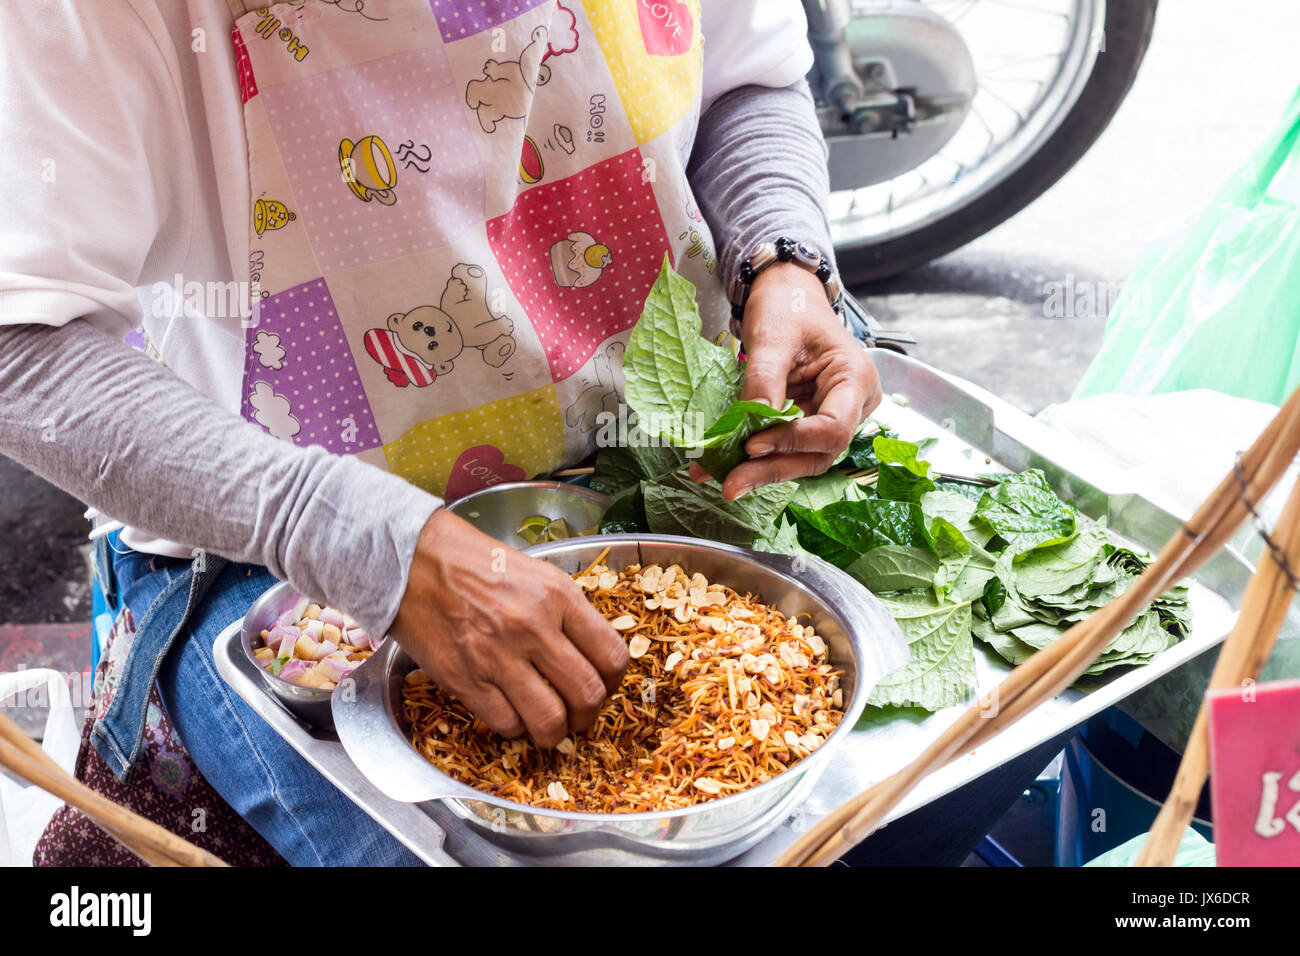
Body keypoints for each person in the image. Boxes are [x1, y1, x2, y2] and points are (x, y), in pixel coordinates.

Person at [1, 0, 882, 865]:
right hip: (274, 539)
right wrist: (371, 547)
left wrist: (784, 262)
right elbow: (22, 346)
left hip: (666, 447)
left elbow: (744, 79)